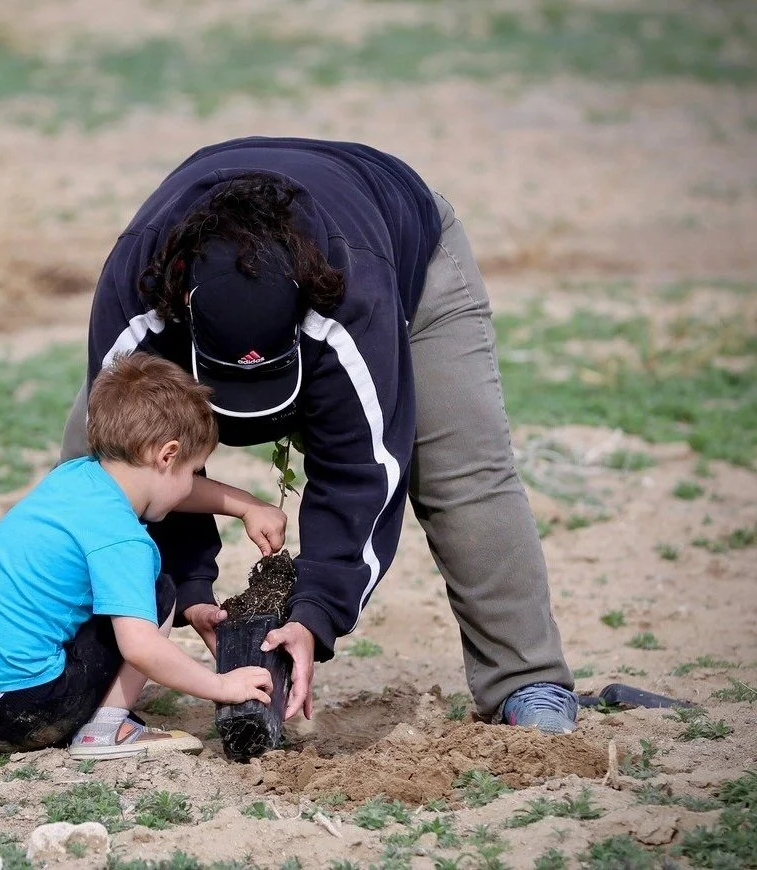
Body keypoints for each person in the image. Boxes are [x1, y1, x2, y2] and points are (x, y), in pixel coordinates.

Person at [58, 136, 578, 735]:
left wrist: (315, 615)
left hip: (398, 251)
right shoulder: (140, 298)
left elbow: (361, 469)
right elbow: (137, 465)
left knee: (459, 471)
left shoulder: (351, 297)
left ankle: (527, 682)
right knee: (96, 473)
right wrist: (191, 581)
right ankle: (64, 676)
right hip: (183, 320)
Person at [0, 352, 286, 771]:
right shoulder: (122, 538)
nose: (192, 484)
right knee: (158, 593)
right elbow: (140, 647)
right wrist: (220, 685)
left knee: (89, 603)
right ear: (167, 456)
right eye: (193, 470)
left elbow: (176, 491)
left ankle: (0, 734)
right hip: (29, 710)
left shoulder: (76, 477)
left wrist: (246, 506)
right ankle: (105, 729)